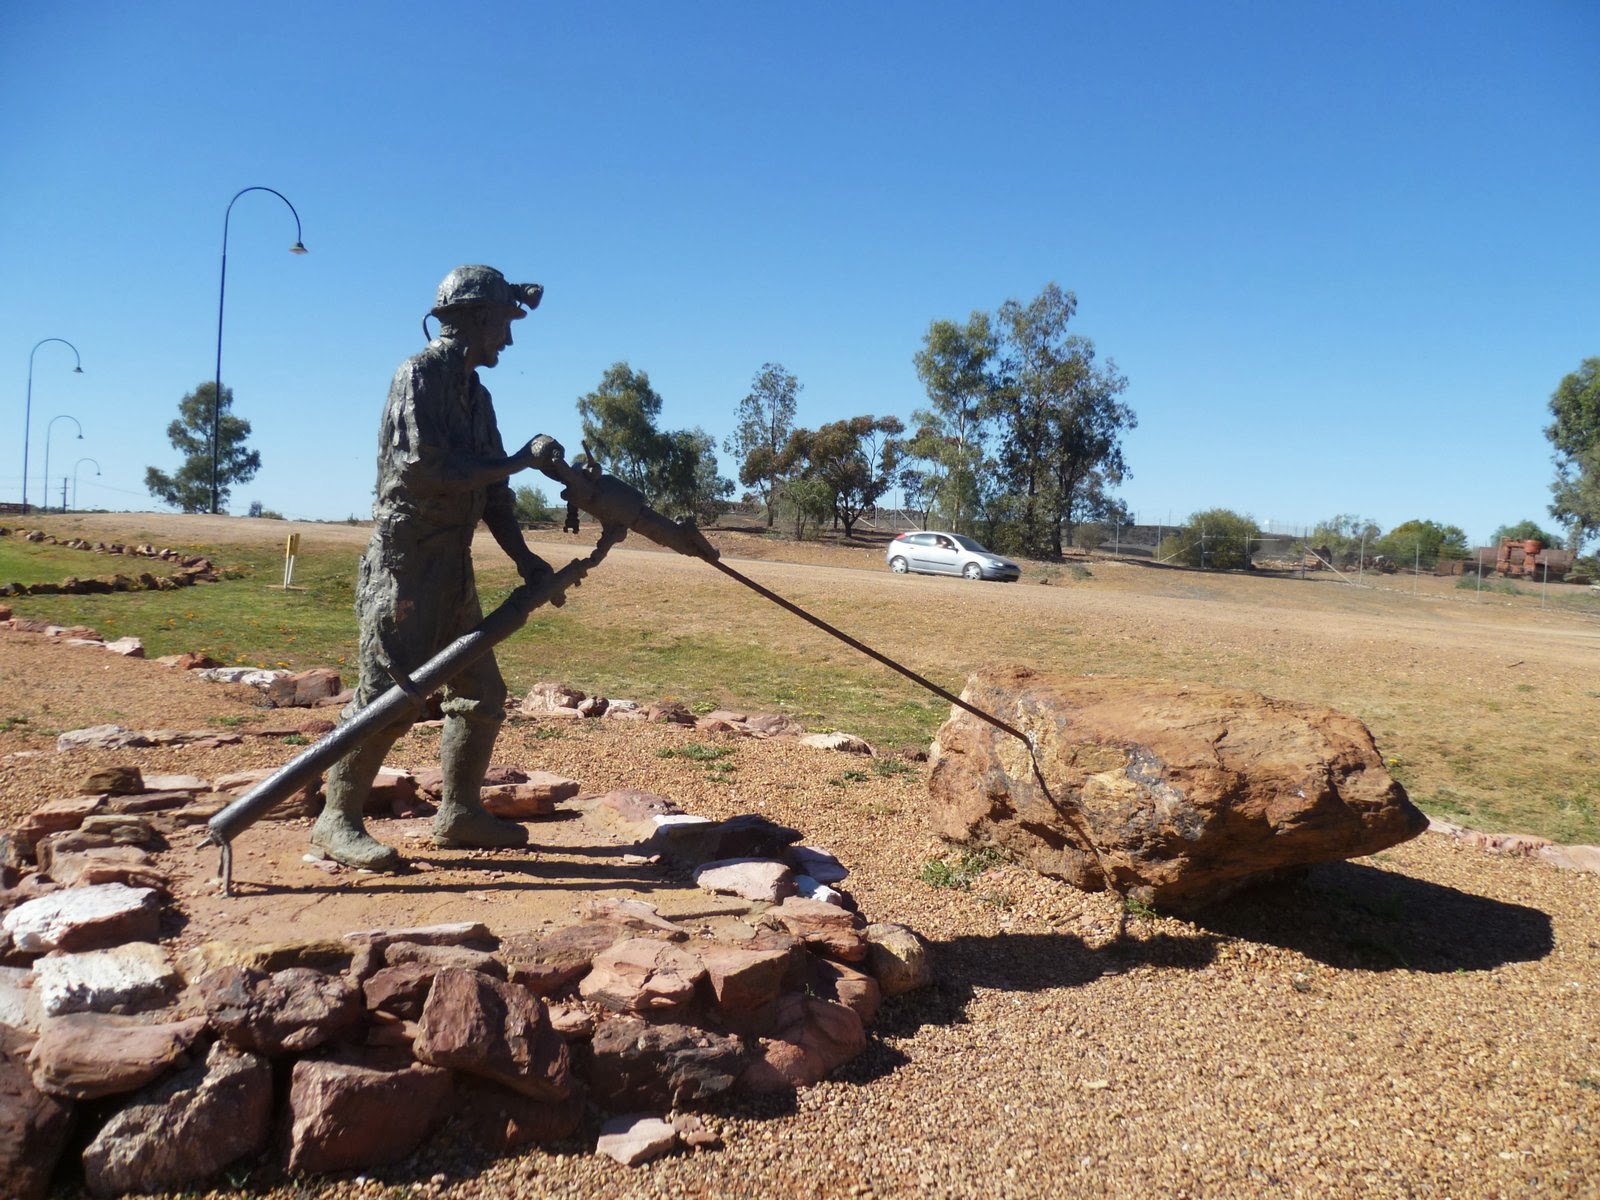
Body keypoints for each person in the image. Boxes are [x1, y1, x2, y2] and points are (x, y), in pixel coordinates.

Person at [309, 265, 558, 871]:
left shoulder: (479, 393)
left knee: (480, 692)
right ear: (474, 318)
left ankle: (460, 814)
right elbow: (423, 471)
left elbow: (493, 489)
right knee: (387, 697)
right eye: (503, 323)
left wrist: (525, 559)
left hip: (452, 566)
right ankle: (335, 820)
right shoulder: (417, 376)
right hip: (406, 568)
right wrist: (519, 462)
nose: (508, 339)